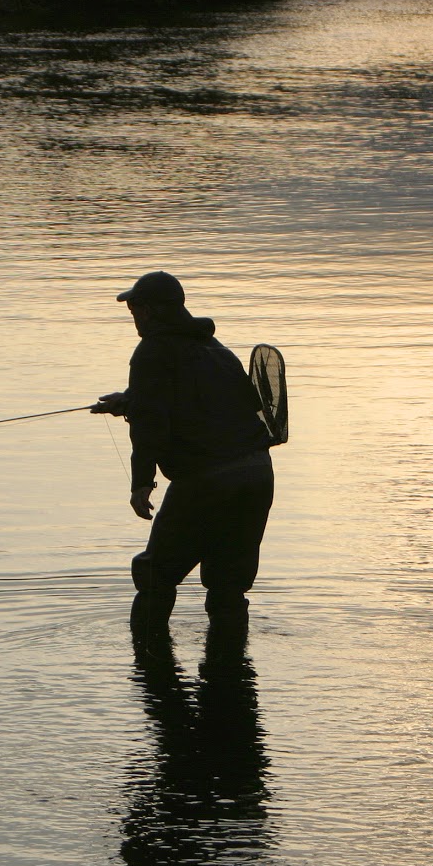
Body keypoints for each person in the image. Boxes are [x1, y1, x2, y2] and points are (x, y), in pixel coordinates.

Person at [91, 271, 274, 645]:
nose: (134, 319)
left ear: (152, 311)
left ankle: (148, 665)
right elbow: (213, 404)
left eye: (135, 310)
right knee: (229, 583)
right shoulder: (215, 349)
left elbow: (151, 424)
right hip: (257, 475)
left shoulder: (152, 351)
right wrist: (131, 400)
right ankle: (230, 675)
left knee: (155, 574)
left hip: (207, 479)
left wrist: (141, 483)